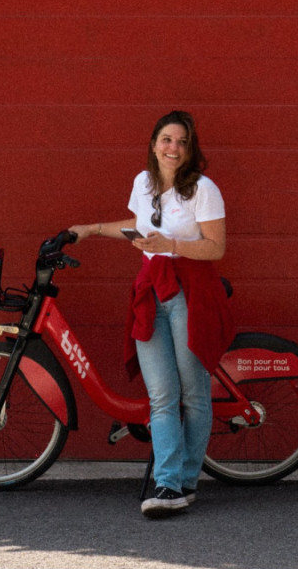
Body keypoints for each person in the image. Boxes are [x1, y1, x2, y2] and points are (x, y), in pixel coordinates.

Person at [68, 110, 232, 519]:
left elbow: (215, 247)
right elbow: (140, 225)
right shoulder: (143, 183)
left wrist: (171, 245)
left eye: (181, 141)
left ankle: (183, 480)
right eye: (166, 139)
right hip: (150, 290)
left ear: (190, 148)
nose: (172, 148)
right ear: (154, 144)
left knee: (193, 392)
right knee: (161, 394)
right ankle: (168, 483)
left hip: (188, 290)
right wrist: (92, 228)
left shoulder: (203, 189)